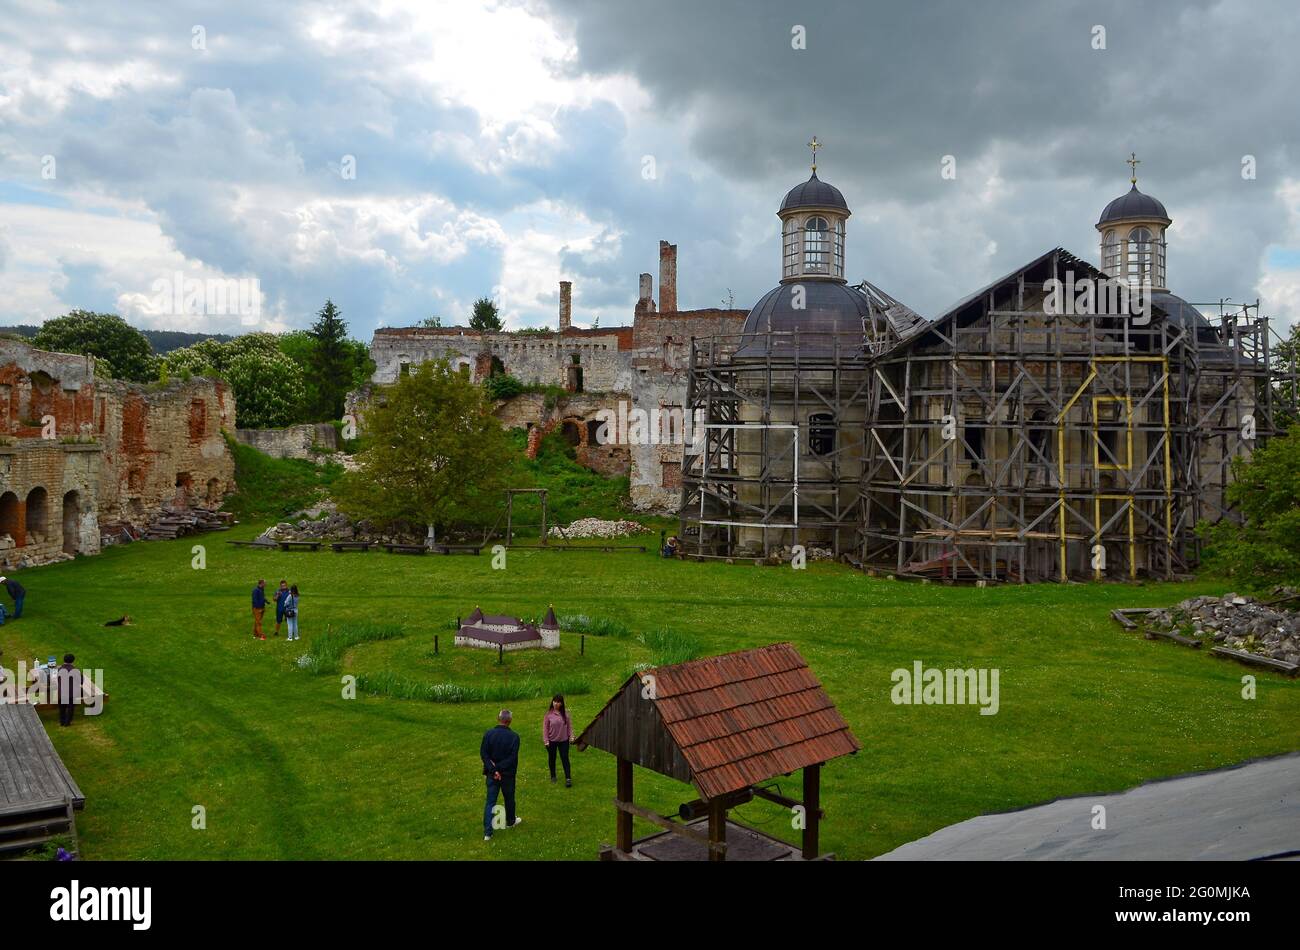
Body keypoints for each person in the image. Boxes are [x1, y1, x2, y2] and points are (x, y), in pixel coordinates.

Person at [480, 709, 522, 841]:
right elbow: (512, 758)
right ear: (510, 721)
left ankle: (488, 832)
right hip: (508, 774)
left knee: (490, 802)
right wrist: (498, 769)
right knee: (509, 799)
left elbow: (484, 754)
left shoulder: (488, 734)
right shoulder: (514, 737)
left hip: (492, 774)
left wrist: (493, 770)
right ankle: (510, 821)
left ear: (498, 719)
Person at [542, 694, 574, 787]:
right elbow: (545, 729)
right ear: (552, 702)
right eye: (555, 701)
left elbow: (569, 727)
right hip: (551, 741)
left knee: (565, 758)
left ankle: (568, 778)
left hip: (563, 740)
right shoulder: (548, 715)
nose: (556, 703)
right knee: (552, 758)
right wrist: (546, 740)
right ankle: (553, 776)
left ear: (562, 703)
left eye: (558, 702)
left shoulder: (566, 714)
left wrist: (571, 736)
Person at [55, 654, 79, 727]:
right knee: (70, 707)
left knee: (62, 708)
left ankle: (62, 721)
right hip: (71, 692)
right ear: (73, 661)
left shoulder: (59, 669)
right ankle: (67, 722)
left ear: (64, 660)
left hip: (61, 692)